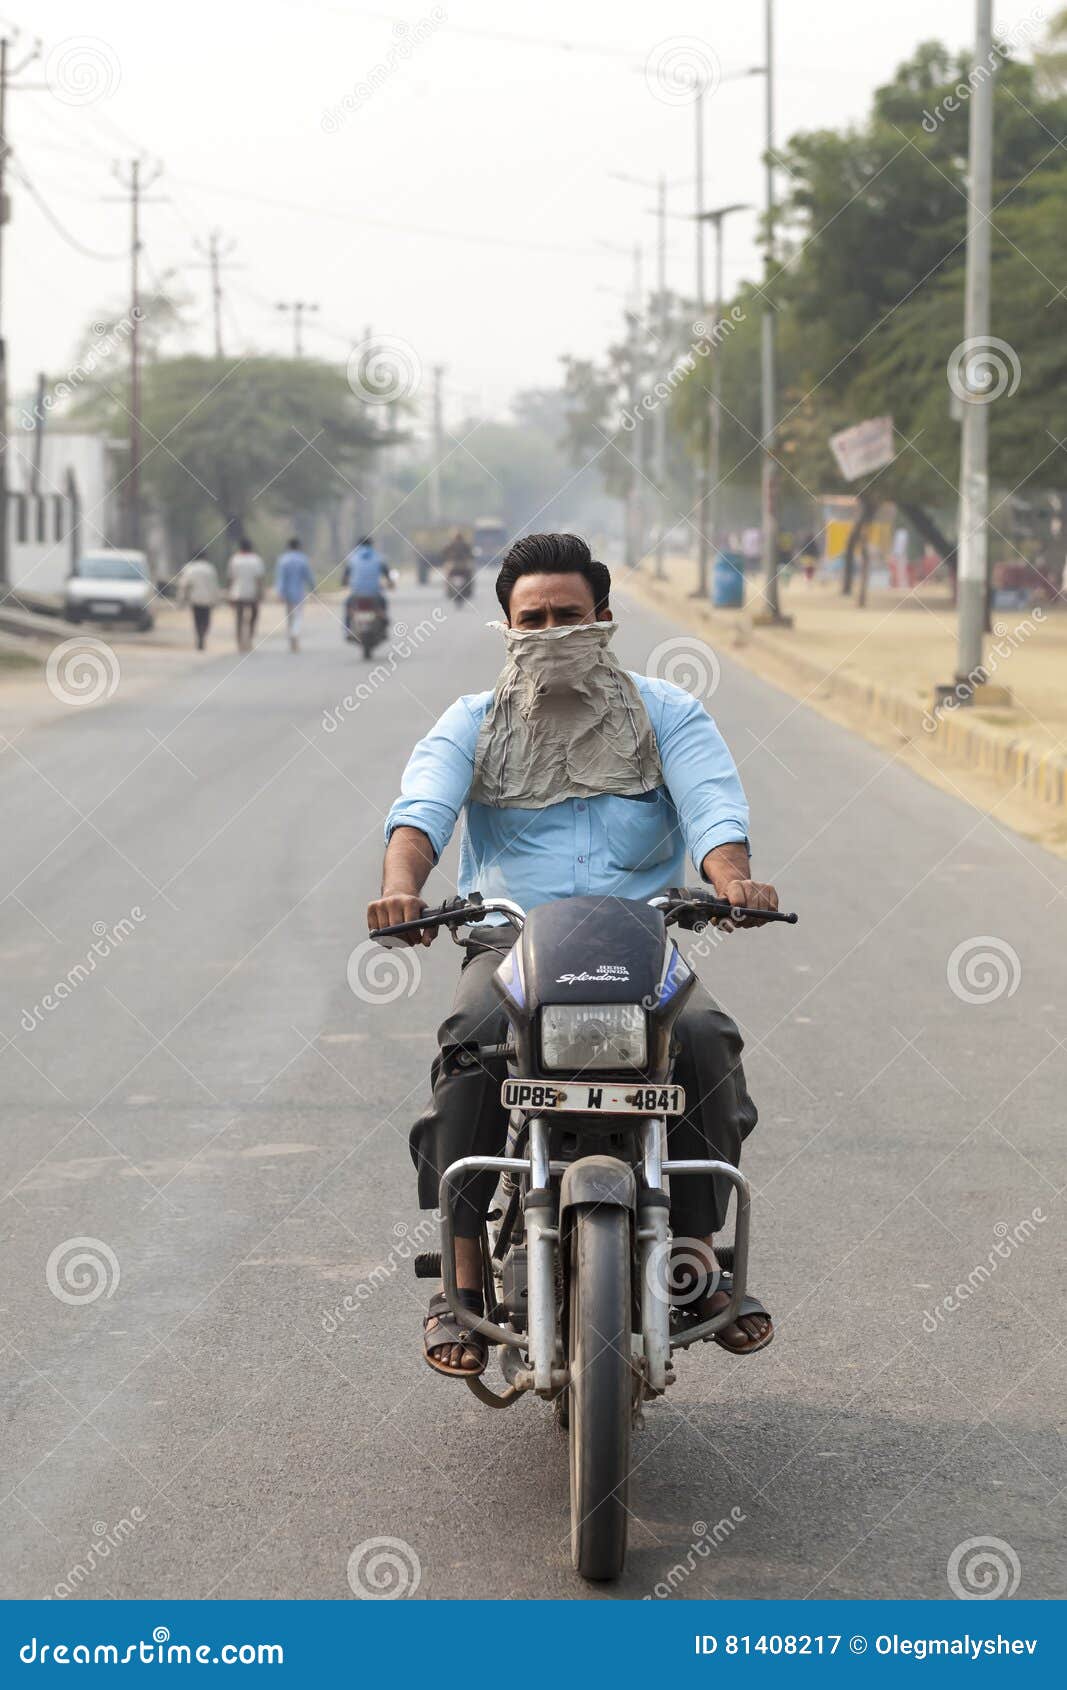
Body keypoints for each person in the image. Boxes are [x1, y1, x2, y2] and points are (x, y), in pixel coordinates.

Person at [367, 532, 779, 1379]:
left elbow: (712, 809)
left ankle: (695, 1255)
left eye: (569, 615)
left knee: (703, 1040)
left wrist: (732, 879)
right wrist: (402, 888)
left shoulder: (667, 713)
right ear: (507, 629)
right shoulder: (471, 722)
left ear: (604, 620)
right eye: (533, 618)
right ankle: (461, 1274)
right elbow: (420, 814)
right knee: (471, 1043)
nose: (551, 631)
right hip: (511, 943)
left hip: (637, 940)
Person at [343, 536, 390, 641]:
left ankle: (347, 631)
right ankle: (384, 626)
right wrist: (390, 583)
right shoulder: (378, 557)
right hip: (374, 593)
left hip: (357, 594)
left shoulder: (352, 558)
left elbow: (345, 577)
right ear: (372, 545)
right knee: (383, 603)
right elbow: (386, 574)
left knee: (347, 606)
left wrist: (345, 583)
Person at [275, 536, 315, 652]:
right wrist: (313, 589)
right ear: (298, 547)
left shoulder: (283, 560)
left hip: (287, 593)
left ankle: (292, 639)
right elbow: (309, 576)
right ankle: (295, 635)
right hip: (298, 592)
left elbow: (280, 578)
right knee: (298, 616)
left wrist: (280, 592)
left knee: (289, 616)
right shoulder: (303, 559)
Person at [175, 549, 220, 651]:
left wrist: (181, 600)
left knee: (197, 620)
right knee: (206, 620)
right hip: (207, 599)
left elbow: (184, 585)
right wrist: (216, 600)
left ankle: (199, 636)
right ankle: (202, 635)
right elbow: (214, 586)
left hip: (195, 599)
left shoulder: (189, 568)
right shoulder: (210, 568)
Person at [227, 535, 265, 650]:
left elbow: (231, 578)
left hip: (237, 593)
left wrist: (229, 593)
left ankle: (239, 641)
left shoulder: (234, 559)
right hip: (252, 593)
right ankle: (249, 637)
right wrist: (260, 593)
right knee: (254, 616)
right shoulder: (256, 560)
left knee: (238, 618)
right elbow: (259, 579)